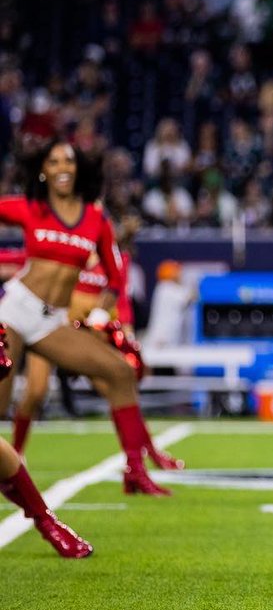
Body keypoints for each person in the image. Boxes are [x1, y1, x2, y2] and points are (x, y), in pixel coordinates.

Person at [0, 141, 172, 495]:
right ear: (43, 170)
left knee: (120, 372)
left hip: (52, 322)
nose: (63, 166)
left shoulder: (95, 219)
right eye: (54, 160)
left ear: (79, 169)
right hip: (15, 312)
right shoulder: (31, 207)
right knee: (2, 404)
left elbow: (115, 274)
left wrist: (98, 310)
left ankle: (135, 472)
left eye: (70, 160)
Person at [0, 249, 183, 470]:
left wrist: (127, 333)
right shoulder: (70, 245)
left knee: (118, 388)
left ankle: (147, 454)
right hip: (49, 325)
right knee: (36, 391)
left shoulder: (116, 258)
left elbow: (120, 298)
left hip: (83, 333)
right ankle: (16, 453)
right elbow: (27, 259)